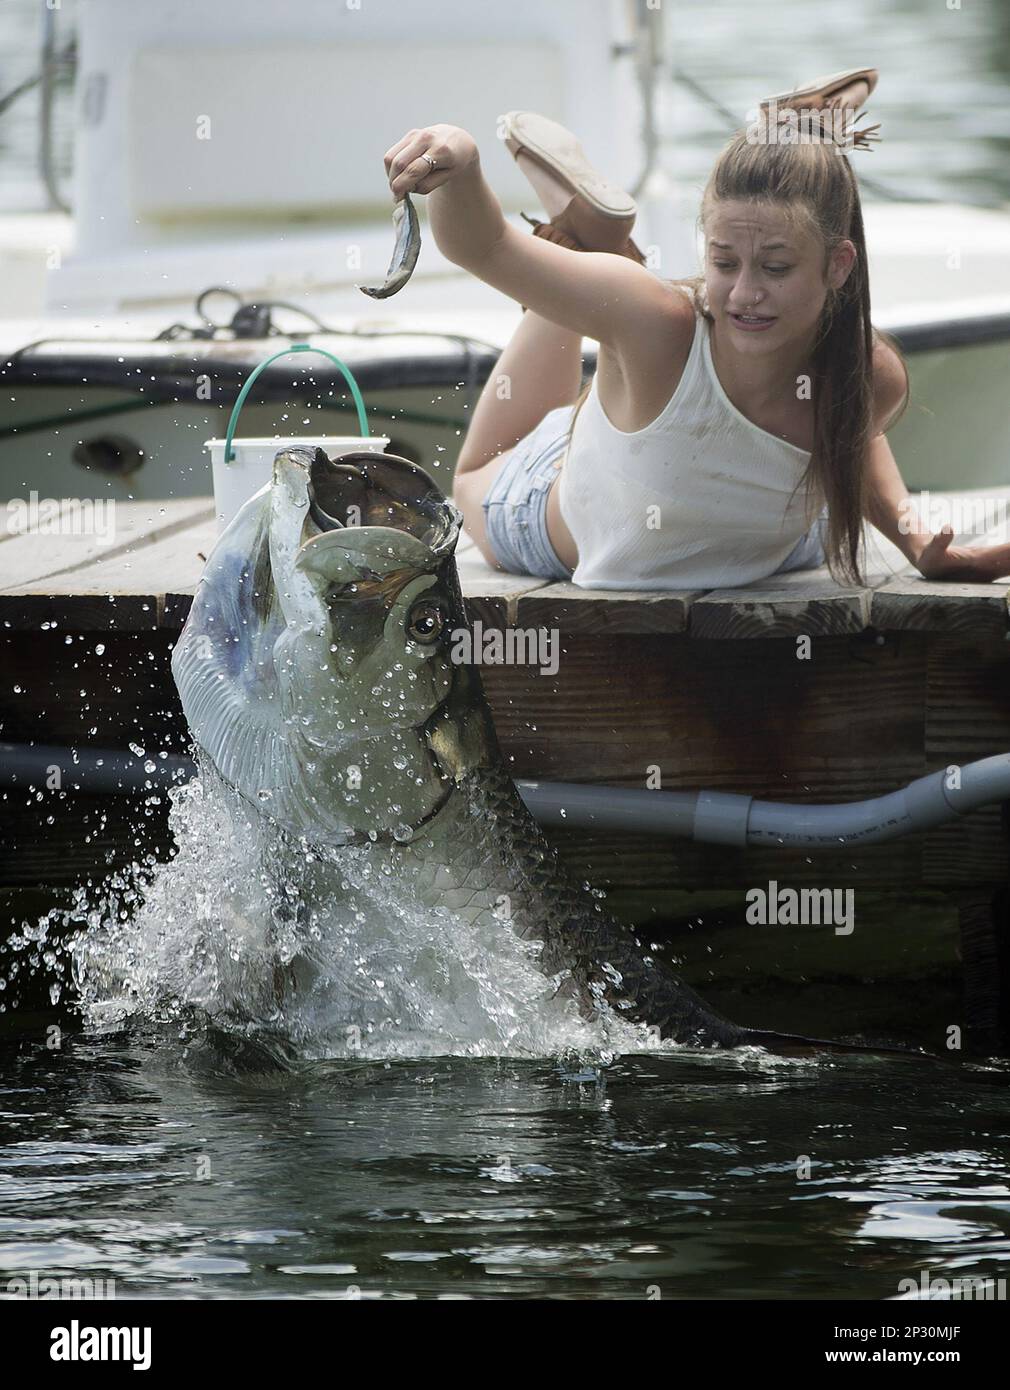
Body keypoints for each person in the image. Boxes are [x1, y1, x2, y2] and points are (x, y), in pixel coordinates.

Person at [382, 71, 1010, 588]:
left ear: (838, 264)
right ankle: (584, 248)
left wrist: (919, 542)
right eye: (723, 262)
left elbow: (850, 430)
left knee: (813, 517)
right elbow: (486, 246)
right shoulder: (654, 319)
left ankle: (605, 235)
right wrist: (461, 163)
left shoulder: (871, 372)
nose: (744, 294)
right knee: (471, 478)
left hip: (774, 538)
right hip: (562, 510)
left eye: (776, 267)